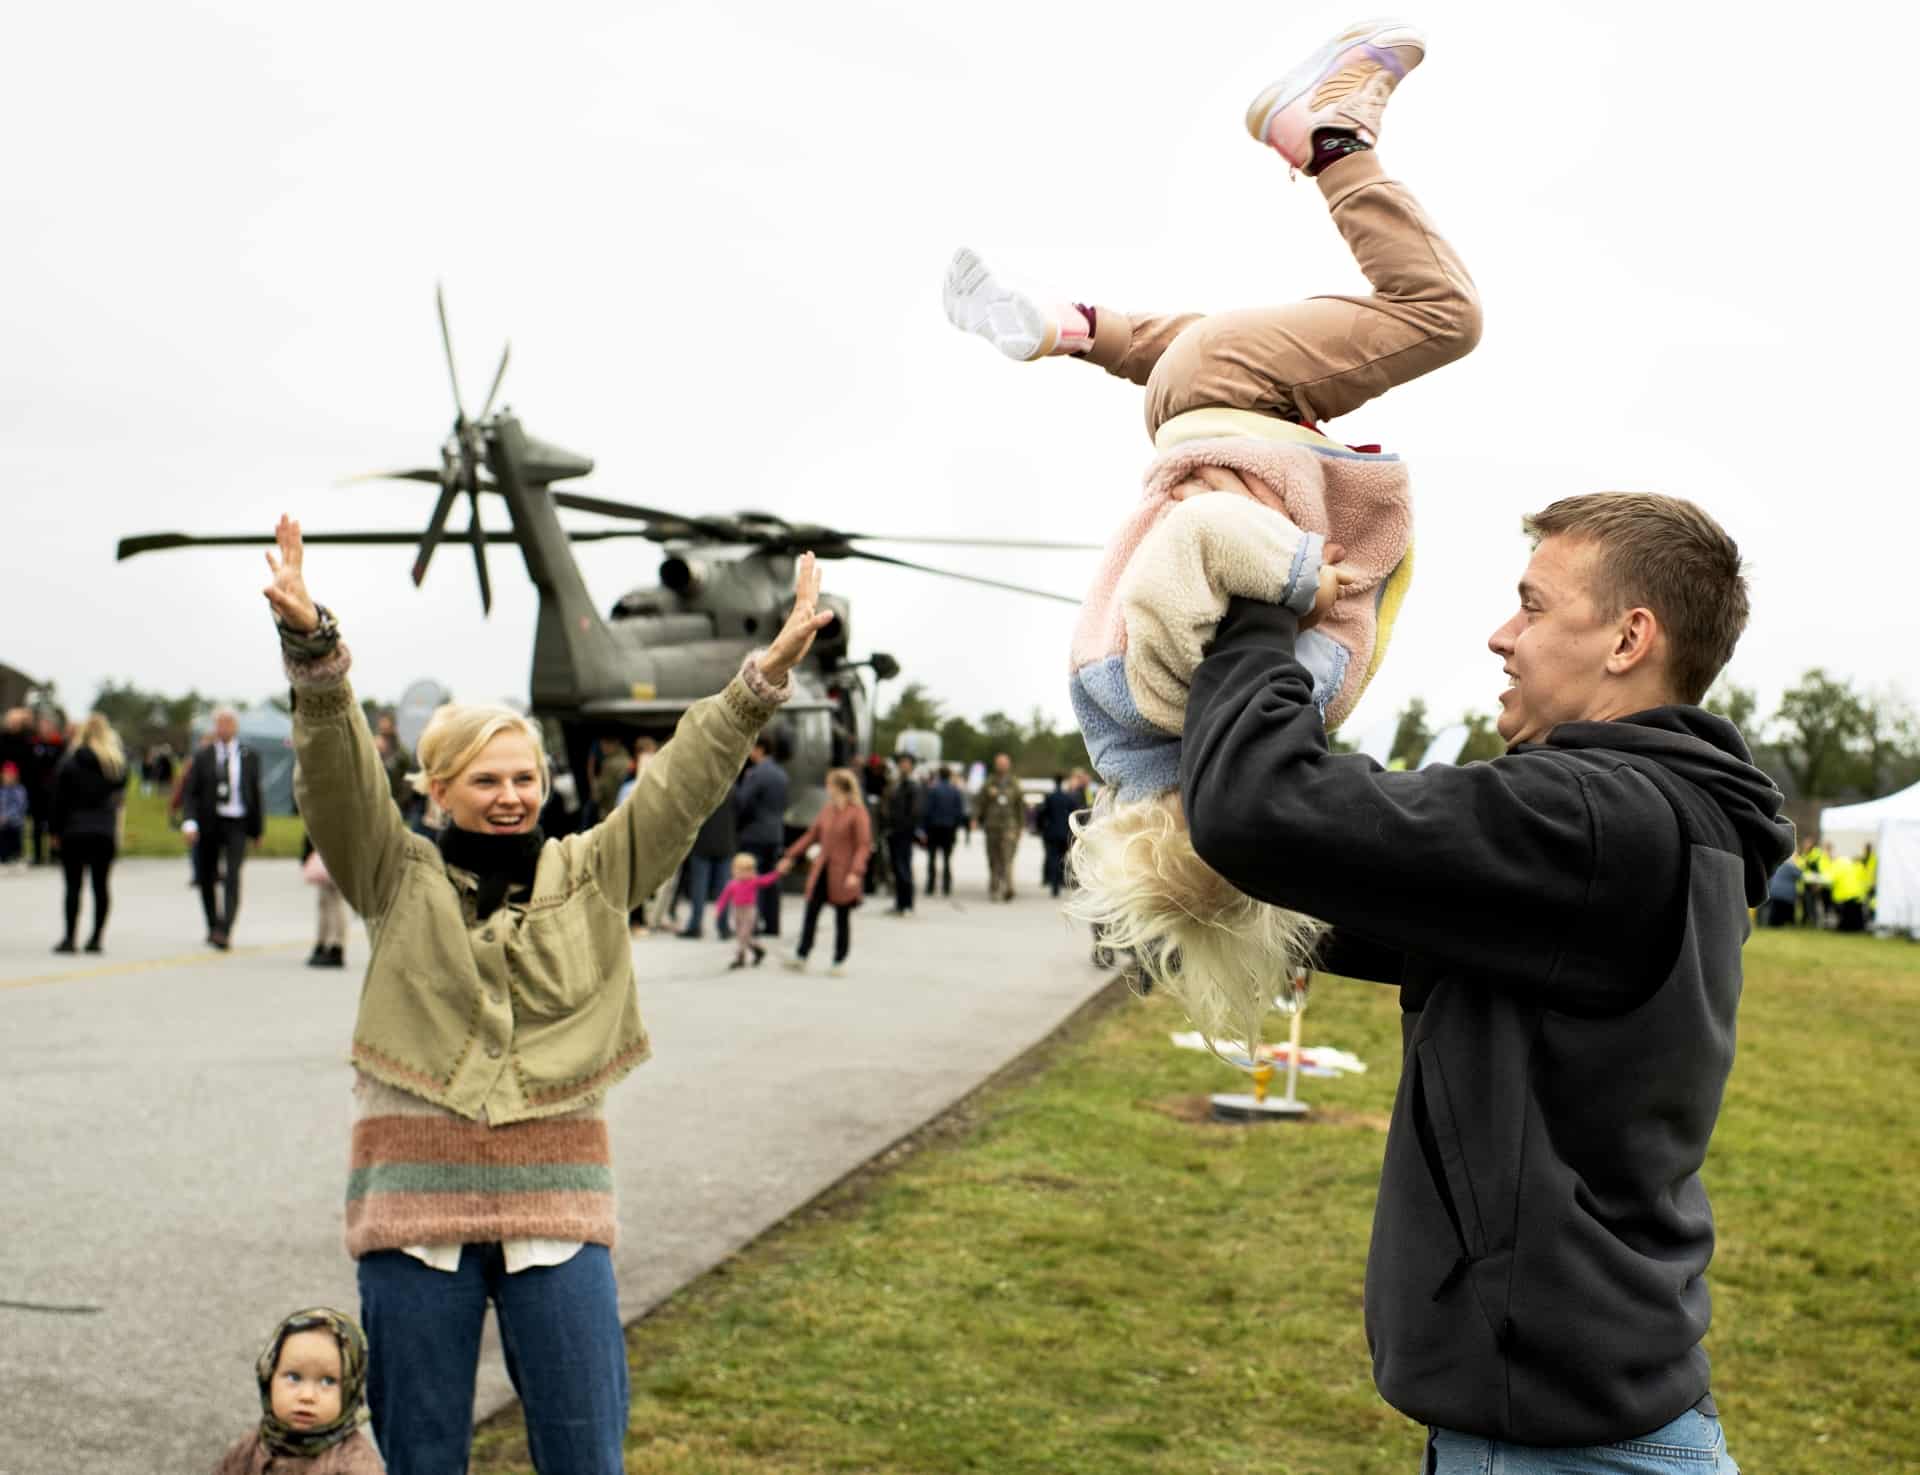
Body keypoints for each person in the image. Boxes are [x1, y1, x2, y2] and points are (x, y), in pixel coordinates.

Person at [1180, 480, 1788, 1470]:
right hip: (1578, 1414)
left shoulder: (1596, 815)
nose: (1503, 635)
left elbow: (1263, 810)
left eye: (1534, 604)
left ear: (1629, 639)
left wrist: (1259, 600)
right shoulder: (1656, 817)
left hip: (1555, 1439)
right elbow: (1344, 893)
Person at [262, 513, 831, 1474]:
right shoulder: (395, 875)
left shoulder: (595, 872)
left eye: (524, 775)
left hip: (557, 1213)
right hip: (412, 1215)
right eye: (485, 779)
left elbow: (680, 784)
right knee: (422, 1456)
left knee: (583, 1454)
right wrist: (314, 655)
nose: (512, 794)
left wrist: (757, 684)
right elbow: (337, 781)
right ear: (438, 790)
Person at [211, 1307, 383, 1474]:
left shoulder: (354, 1464)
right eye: (294, 1377)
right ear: (269, 1377)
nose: (306, 1396)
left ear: (349, 1391)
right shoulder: (253, 1447)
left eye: (327, 1381)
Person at [176, 708, 264, 949]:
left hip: (237, 821)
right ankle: (213, 923)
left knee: (233, 875)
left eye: (228, 723)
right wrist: (190, 822)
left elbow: (255, 794)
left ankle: (225, 928)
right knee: (207, 876)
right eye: (220, 723)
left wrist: (258, 830)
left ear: (235, 726)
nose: (224, 728)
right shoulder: (203, 756)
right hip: (209, 822)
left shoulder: (249, 756)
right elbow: (191, 794)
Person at [778, 767, 872, 975]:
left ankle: (839, 960)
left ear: (840, 787)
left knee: (842, 917)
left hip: (844, 871)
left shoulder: (858, 813)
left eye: (830, 784)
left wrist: (856, 872)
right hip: (822, 869)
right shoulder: (827, 810)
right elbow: (811, 836)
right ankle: (802, 954)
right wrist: (790, 856)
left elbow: (864, 845)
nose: (827, 788)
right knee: (811, 911)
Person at [49, 712, 129, 954]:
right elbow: (120, 794)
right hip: (103, 829)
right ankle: (95, 938)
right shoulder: (115, 764)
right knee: (101, 885)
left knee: (73, 886)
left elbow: (58, 799)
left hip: (74, 828)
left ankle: (70, 937)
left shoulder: (70, 762)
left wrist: (54, 830)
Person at [733, 736, 789, 938]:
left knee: (750, 880)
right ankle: (773, 925)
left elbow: (742, 802)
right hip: (775, 834)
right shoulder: (781, 774)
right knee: (771, 881)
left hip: (754, 833)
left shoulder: (755, 774)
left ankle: (752, 924)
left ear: (760, 749)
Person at [677, 786, 737, 940]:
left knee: (699, 886)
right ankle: (723, 927)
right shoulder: (731, 788)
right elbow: (741, 811)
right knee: (723, 888)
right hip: (725, 842)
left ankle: (695, 925)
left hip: (702, 843)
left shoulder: (700, 788)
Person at [711, 853, 779, 969]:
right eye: (741, 870)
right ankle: (758, 949)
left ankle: (740, 958)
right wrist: (718, 910)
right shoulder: (732, 884)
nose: (745, 873)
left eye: (748, 870)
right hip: (737, 911)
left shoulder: (753, 881)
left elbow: (767, 880)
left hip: (749, 910)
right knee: (741, 935)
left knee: (743, 934)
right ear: (734, 870)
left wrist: (778, 872)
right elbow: (723, 898)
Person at [973, 753, 1024, 901]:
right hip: (992, 826)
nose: (1002, 766)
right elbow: (979, 802)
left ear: (1009, 765)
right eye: (999, 763)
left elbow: (1020, 806)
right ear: (996, 765)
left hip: (1009, 826)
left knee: (1007, 858)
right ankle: (995, 886)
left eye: (1004, 763)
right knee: (993, 858)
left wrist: (1021, 827)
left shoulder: (1014, 783)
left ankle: (1008, 887)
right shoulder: (989, 782)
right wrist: (975, 818)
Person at [884, 752, 924, 915]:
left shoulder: (912, 786)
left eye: (907, 763)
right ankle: (900, 902)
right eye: (901, 762)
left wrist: (906, 828)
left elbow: (915, 811)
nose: (903, 765)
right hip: (893, 831)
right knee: (896, 867)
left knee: (903, 867)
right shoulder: (896, 784)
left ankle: (907, 903)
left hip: (904, 832)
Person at [1037, 773, 1084, 898]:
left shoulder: (1049, 797)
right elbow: (1075, 814)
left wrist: (1040, 828)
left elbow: (1041, 814)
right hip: (1064, 833)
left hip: (1051, 833)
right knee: (1061, 858)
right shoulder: (1068, 798)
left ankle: (1054, 884)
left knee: (1052, 857)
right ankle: (1060, 881)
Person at [922, 765, 965, 897]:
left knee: (932, 858)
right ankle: (946, 886)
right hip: (949, 828)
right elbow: (959, 811)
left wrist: (925, 828)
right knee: (947, 859)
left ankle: (930, 885)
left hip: (934, 827)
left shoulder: (933, 790)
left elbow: (927, 810)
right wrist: (956, 826)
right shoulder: (955, 791)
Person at [1764, 851, 1801, 928]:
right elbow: (1800, 874)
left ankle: (1773, 924)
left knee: (1775, 911)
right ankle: (1789, 923)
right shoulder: (1790, 866)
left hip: (1774, 891)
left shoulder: (1778, 864)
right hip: (1786, 894)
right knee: (1787, 910)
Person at [0, 761, 25, 869]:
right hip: (2, 823)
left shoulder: (20, 790)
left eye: (11, 775)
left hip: (15, 821)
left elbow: (20, 806)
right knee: (3, 838)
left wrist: (7, 816)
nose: (8, 778)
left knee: (15, 838)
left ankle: (17, 856)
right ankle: (4, 857)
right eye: (6, 775)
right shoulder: (1, 790)